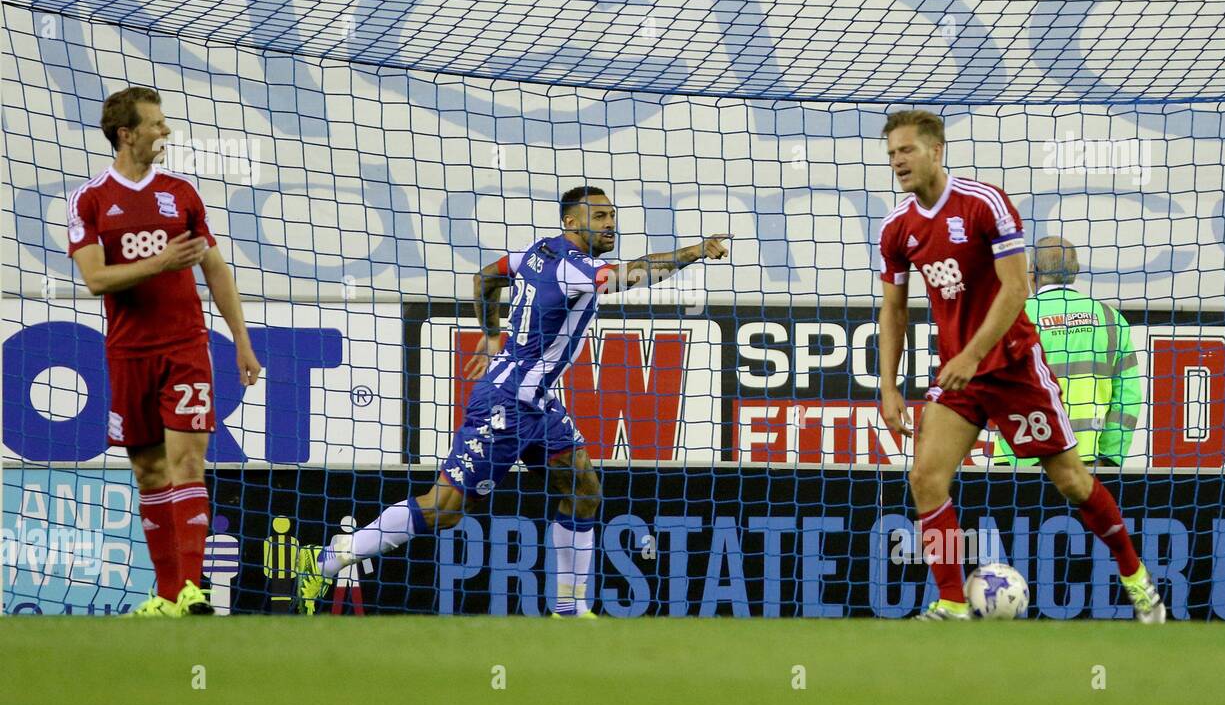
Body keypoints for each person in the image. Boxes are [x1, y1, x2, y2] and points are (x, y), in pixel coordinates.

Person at [303, 186, 730, 617]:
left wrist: (491, 334)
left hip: (539, 404)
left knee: (584, 489)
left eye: (611, 216)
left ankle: (569, 605)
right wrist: (696, 250)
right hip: (505, 404)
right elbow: (634, 275)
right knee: (447, 510)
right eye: (599, 216)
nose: (609, 224)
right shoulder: (573, 267)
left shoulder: (534, 254)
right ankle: (340, 552)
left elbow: (486, 277)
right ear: (570, 222)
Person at [876, 110, 1164, 622]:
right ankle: (950, 602)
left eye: (907, 150)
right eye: (893, 152)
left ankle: (1137, 579)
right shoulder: (897, 228)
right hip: (959, 379)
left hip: (1012, 367)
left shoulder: (983, 203)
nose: (898, 160)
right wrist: (889, 386)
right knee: (925, 477)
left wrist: (971, 353)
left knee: (1072, 481)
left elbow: (1016, 288)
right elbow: (893, 308)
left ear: (936, 151)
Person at [67, 86, 261, 617]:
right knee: (150, 472)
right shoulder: (90, 200)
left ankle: (192, 589)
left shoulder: (182, 195)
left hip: (185, 347)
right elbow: (95, 279)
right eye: (155, 124)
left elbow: (215, 270)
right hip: (129, 353)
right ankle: (170, 594)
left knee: (188, 462)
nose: (165, 132)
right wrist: (161, 261)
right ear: (126, 134)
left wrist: (242, 339)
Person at [994, 237, 1141, 468]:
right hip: (1087, 462)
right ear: (1075, 271)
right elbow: (1128, 398)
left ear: (1032, 272)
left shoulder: (1011, 317)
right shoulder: (1110, 319)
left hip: (1022, 459)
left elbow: (992, 391)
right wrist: (1110, 457)